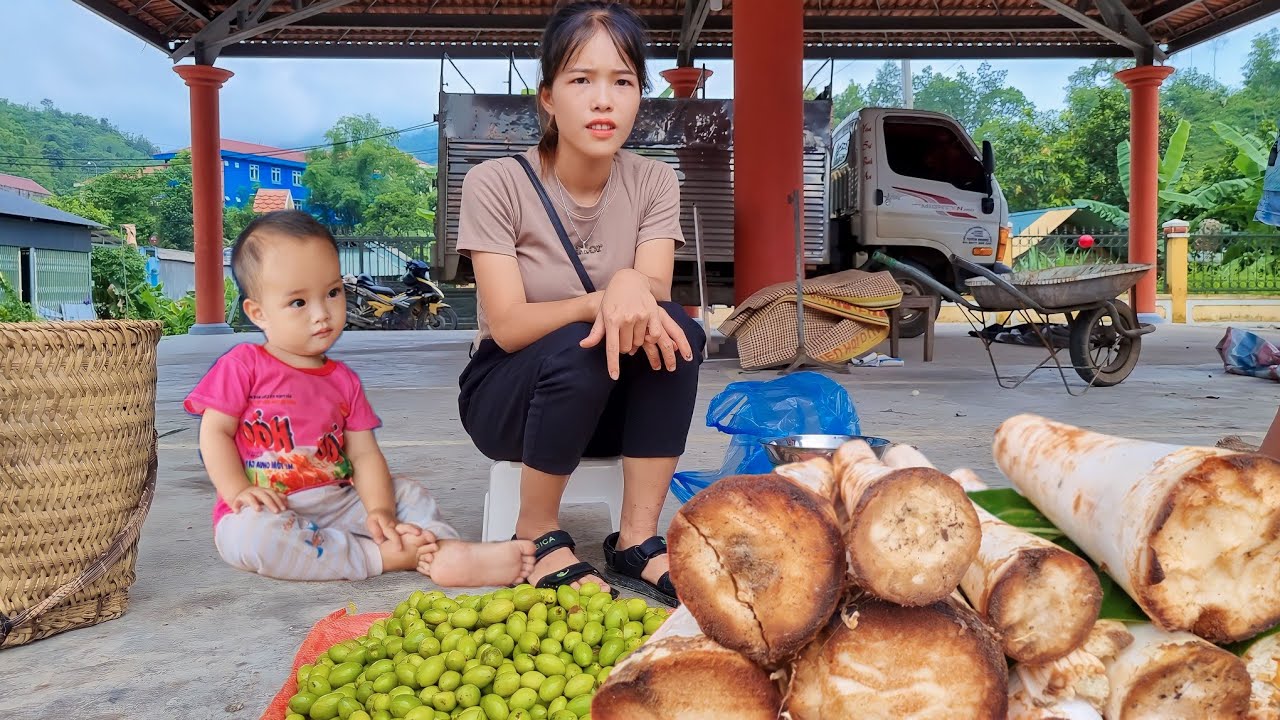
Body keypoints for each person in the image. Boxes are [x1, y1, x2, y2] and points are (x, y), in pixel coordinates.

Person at [456, 0, 705, 605]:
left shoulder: (654, 181)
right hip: (510, 403)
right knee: (584, 341)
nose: (603, 101)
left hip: (610, 407)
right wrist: (595, 301)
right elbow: (508, 327)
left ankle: (637, 538)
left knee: (678, 330)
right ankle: (535, 531)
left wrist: (628, 288)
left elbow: (654, 289)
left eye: (622, 82)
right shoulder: (495, 183)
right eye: (581, 80)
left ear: (639, 95)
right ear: (547, 96)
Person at [185, 210, 535, 585]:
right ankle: (378, 555)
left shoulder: (343, 381)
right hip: (271, 507)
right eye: (299, 302)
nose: (322, 314)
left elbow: (364, 455)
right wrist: (238, 490)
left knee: (408, 494)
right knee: (250, 539)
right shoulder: (242, 365)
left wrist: (381, 511)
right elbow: (215, 432)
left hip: (339, 502)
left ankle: (444, 551)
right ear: (258, 313)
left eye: (332, 293)